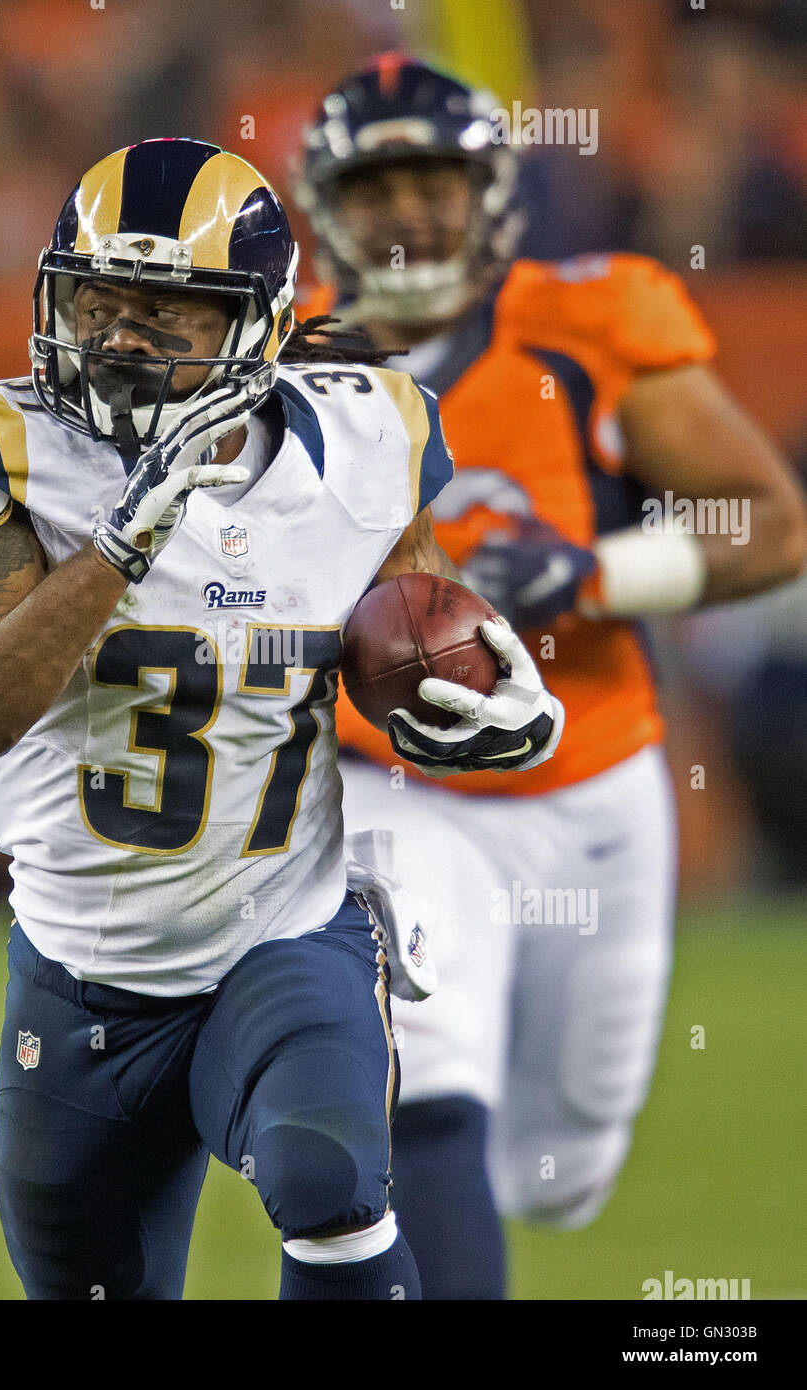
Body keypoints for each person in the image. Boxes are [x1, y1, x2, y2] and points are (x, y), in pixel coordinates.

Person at [0, 137, 563, 1300]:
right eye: (100, 300)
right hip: (80, 967)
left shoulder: (363, 438)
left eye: (171, 311)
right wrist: (119, 544)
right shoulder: (13, 454)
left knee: (328, 1177)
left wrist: (500, 707)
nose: (121, 339)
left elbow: (415, 627)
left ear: (254, 327)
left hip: (283, 932)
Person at [295, 54, 807, 1299]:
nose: (408, 214)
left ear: (493, 197)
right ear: (324, 208)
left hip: (591, 784)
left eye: (435, 181)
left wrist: (588, 571)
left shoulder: (590, 319)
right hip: (395, 784)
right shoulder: (282, 362)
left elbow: (771, 523)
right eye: (376, 187)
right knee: (424, 1072)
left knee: (562, 1168)